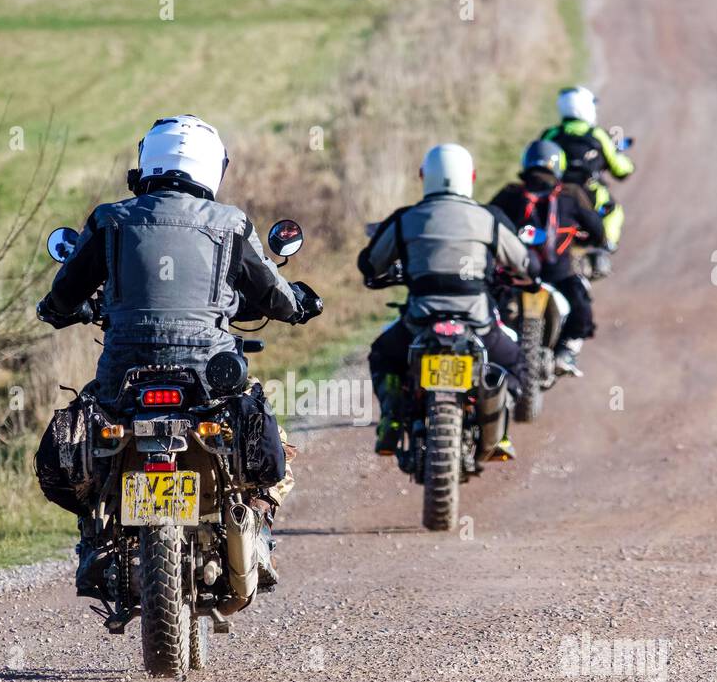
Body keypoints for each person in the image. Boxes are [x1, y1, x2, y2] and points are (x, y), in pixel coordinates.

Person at [37, 114, 322, 589]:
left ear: (148, 161)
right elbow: (274, 294)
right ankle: (259, 538)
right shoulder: (230, 223)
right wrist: (299, 304)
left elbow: (64, 294)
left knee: (89, 439)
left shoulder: (111, 220)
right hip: (209, 374)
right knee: (268, 442)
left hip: (124, 374)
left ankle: (94, 536)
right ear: (212, 167)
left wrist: (57, 309)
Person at [358, 143, 535, 456]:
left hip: (420, 322)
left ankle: (392, 421)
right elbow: (525, 263)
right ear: (472, 177)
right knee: (515, 363)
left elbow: (370, 264)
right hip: (477, 322)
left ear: (423, 176)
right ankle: (498, 430)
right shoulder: (489, 219)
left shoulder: (405, 219)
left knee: (382, 356)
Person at [489, 140, 606, 377]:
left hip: (513, 276)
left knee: (487, 306)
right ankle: (567, 351)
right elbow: (597, 230)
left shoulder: (511, 193)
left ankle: (487, 354)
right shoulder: (571, 194)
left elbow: (486, 221)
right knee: (582, 307)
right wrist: (588, 241)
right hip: (559, 275)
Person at [539, 86, 633, 249]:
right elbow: (621, 169)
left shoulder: (551, 134)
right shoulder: (597, 135)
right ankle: (606, 244)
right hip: (591, 196)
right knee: (614, 211)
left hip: (555, 194)